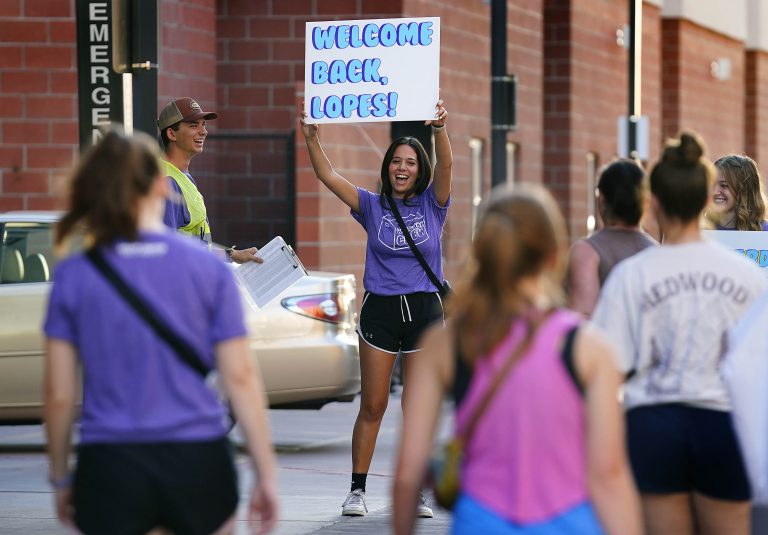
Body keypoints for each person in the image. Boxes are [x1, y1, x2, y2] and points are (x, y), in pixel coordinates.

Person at [43, 130, 278, 535]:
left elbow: (59, 395)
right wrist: (266, 473)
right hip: (197, 457)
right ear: (160, 185)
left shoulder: (74, 275)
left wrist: (61, 477)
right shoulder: (209, 269)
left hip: (112, 461)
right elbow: (240, 377)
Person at [393, 184, 642, 535]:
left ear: (481, 252)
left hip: (480, 522)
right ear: (553, 257)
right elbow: (609, 474)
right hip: (570, 522)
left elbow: (408, 473)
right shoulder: (588, 347)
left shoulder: (445, 342)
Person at [592, 132, 768, 535]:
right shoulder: (749, 274)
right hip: (725, 423)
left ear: (653, 202)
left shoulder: (631, 275)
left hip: (654, 423)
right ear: (705, 198)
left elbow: (605, 366)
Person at [299, 98, 452, 518]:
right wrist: (312, 138)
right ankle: (356, 491)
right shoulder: (371, 205)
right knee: (374, 405)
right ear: (387, 167)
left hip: (424, 312)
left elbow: (447, 165)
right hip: (380, 312)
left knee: (417, 407)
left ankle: (415, 491)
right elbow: (327, 175)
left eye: (410, 163)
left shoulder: (433, 205)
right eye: (396, 161)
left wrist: (439, 128)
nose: (402, 168)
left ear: (419, 170)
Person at [157, 96, 260, 263]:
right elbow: (166, 251)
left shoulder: (181, 176)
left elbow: (196, 246)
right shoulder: (167, 181)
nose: (203, 131)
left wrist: (232, 255)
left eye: (203, 124)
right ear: (171, 133)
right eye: (193, 125)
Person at [567, 158, 657, 317]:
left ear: (601, 199)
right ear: (645, 202)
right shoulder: (658, 252)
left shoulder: (587, 253)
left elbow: (583, 316)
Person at [707, 153, 768, 231]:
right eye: (712, 184)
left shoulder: (764, 231)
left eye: (724, 185)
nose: (715, 192)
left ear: (744, 190)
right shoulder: (699, 230)